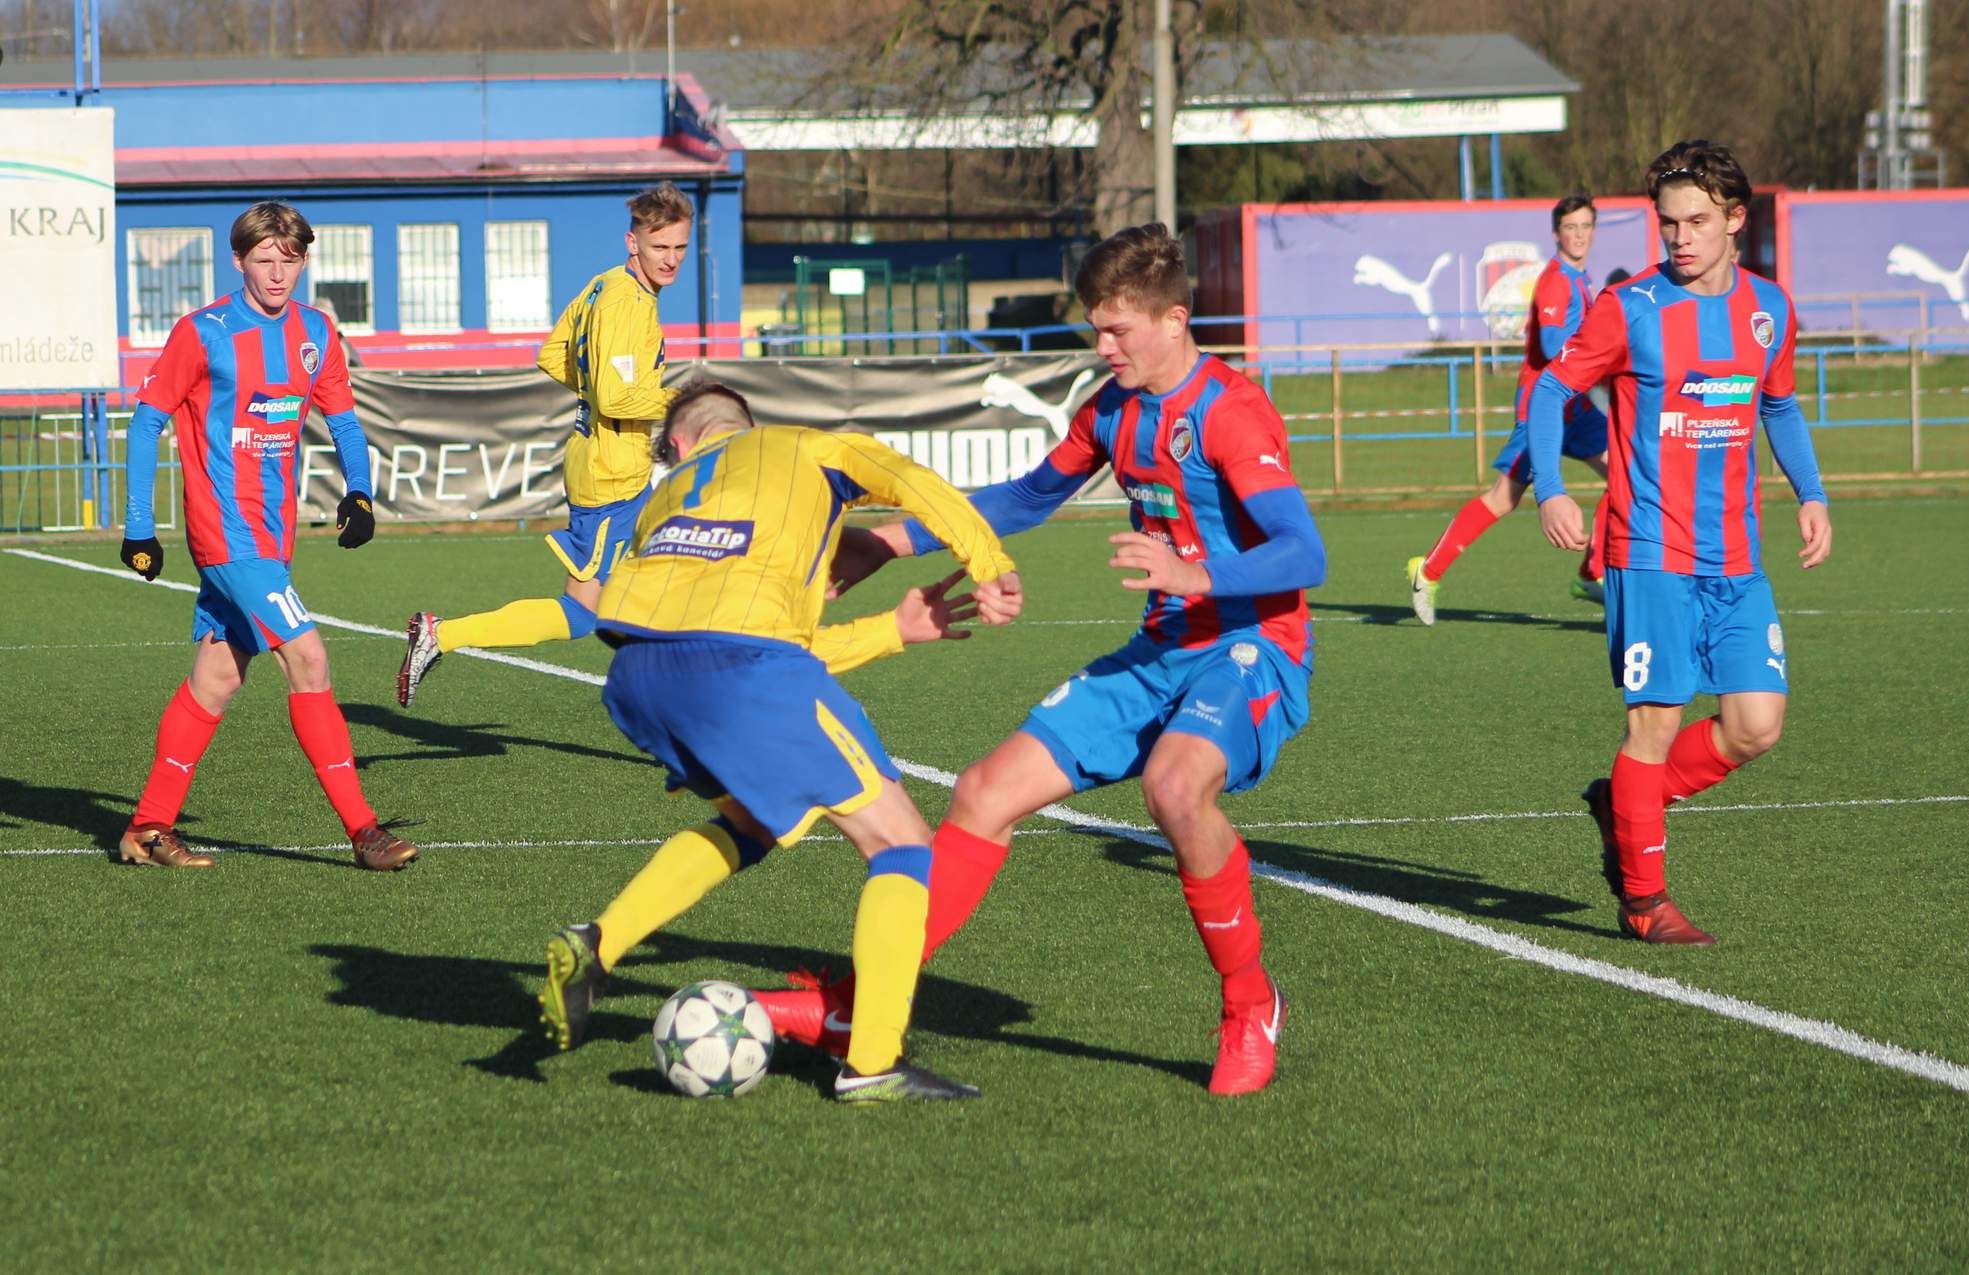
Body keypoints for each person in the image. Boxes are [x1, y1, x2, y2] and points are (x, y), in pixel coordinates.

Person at [756, 223, 1326, 1096]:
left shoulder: (1232, 411)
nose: (1103, 347)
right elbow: (1026, 497)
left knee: (1176, 787)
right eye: (1096, 329)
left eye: (1117, 330)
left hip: (1252, 649)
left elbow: (1303, 551)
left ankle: (1250, 1004)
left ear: (1174, 320)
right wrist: (889, 542)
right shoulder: (1110, 408)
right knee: (983, 791)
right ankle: (857, 1006)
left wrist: (1196, 573)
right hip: (1162, 649)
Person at [538, 379, 1024, 1103]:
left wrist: (890, 630)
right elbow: (912, 481)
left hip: (638, 678)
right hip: (743, 666)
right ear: (747, 422)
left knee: (750, 823)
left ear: (680, 445)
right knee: (902, 844)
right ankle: (873, 1062)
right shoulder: (808, 447)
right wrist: (990, 563)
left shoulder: (662, 505)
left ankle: (599, 943)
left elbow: (740, 643)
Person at [1528, 140, 1831, 944]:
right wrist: (1551, 487)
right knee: (1653, 728)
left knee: (1756, 724)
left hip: (1737, 556)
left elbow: (1778, 405)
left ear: (1735, 220)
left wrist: (1812, 493)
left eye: (1696, 221)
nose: (1680, 237)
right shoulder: (1629, 307)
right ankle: (1644, 901)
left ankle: (1624, 804)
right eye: (1668, 223)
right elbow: (1552, 390)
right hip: (1649, 550)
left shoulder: (1770, 310)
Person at [117, 201, 417, 871]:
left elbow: (343, 421)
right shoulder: (203, 331)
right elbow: (145, 422)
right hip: (225, 532)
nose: (278, 274)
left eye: (290, 260)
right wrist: (140, 527)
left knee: (217, 677)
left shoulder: (316, 330)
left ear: (304, 261)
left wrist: (359, 492)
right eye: (264, 260)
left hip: (274, 535)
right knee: (308, 657)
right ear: (239, 261)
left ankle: (146, 829)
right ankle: (365, 831)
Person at [397, 182, 692, 706]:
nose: (670, 259)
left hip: (603, 462)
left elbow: (552, 355)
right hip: (613, 473)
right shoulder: (627, 303)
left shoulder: (606, 284)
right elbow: (616, 398)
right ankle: (443, 634)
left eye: (679, 247)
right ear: (633, 243)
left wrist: (600, 388)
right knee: (584, 611)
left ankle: (686, 696)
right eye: (659, 246)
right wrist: (682, 403)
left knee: (669, 570)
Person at [1407, 194, 1612, 624]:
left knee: (1629, 474)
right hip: (1545, 407)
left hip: (1576, 407)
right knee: (1503, 499)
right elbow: (1553, 347)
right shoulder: (1556, 280)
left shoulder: (1581, 278)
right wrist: (1602, 358)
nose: (1578, 235)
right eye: (1570, 227)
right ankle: (1427, 571)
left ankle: (1590, 573)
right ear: (1556, 233)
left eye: (1585, 226)